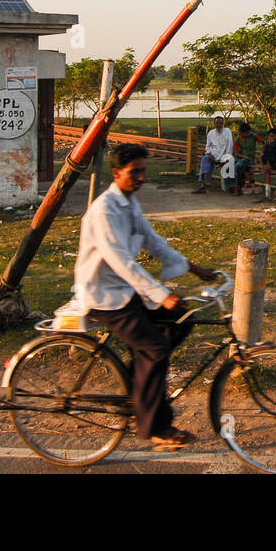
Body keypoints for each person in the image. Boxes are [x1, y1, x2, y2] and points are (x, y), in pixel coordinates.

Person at [75, 144, 219, 450]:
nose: (141, 177)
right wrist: (161, 294)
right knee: (154, 348)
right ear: (117, 173)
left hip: (125, 291)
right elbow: (121, 263)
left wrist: (194, 268)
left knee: (180, 320)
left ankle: (136, 385)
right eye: (134, 172)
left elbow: (154, 242)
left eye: (143, 171)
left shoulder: (129, 204)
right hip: (105, 296)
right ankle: (156, 429)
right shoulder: (104, 211)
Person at [194, 114, 233, 193]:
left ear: (223, 124)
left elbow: (230, 145)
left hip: (223, 156)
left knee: (227, 164)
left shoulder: (227, 131)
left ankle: (205, 183)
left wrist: (225, 158)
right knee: (205, 159)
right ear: (214, 124)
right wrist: (209, 154)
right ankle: (205, 182)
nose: (218, 125)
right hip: (213, 155)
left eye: (220, 123)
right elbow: (207, 146)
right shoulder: (211, 133)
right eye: (217, 123)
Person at [232, 122, 258, 195]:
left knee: (238, 166)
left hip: (249, 160)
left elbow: (264, 143)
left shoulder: (254, 136)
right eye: (246, 133)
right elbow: (236, 153)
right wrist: (244, 156)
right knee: (233, 165)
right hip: (241, 158)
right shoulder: (237, 140)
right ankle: (233, 186)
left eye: (249, 132)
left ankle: (237, 187)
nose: (248, 134)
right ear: (242, 133)